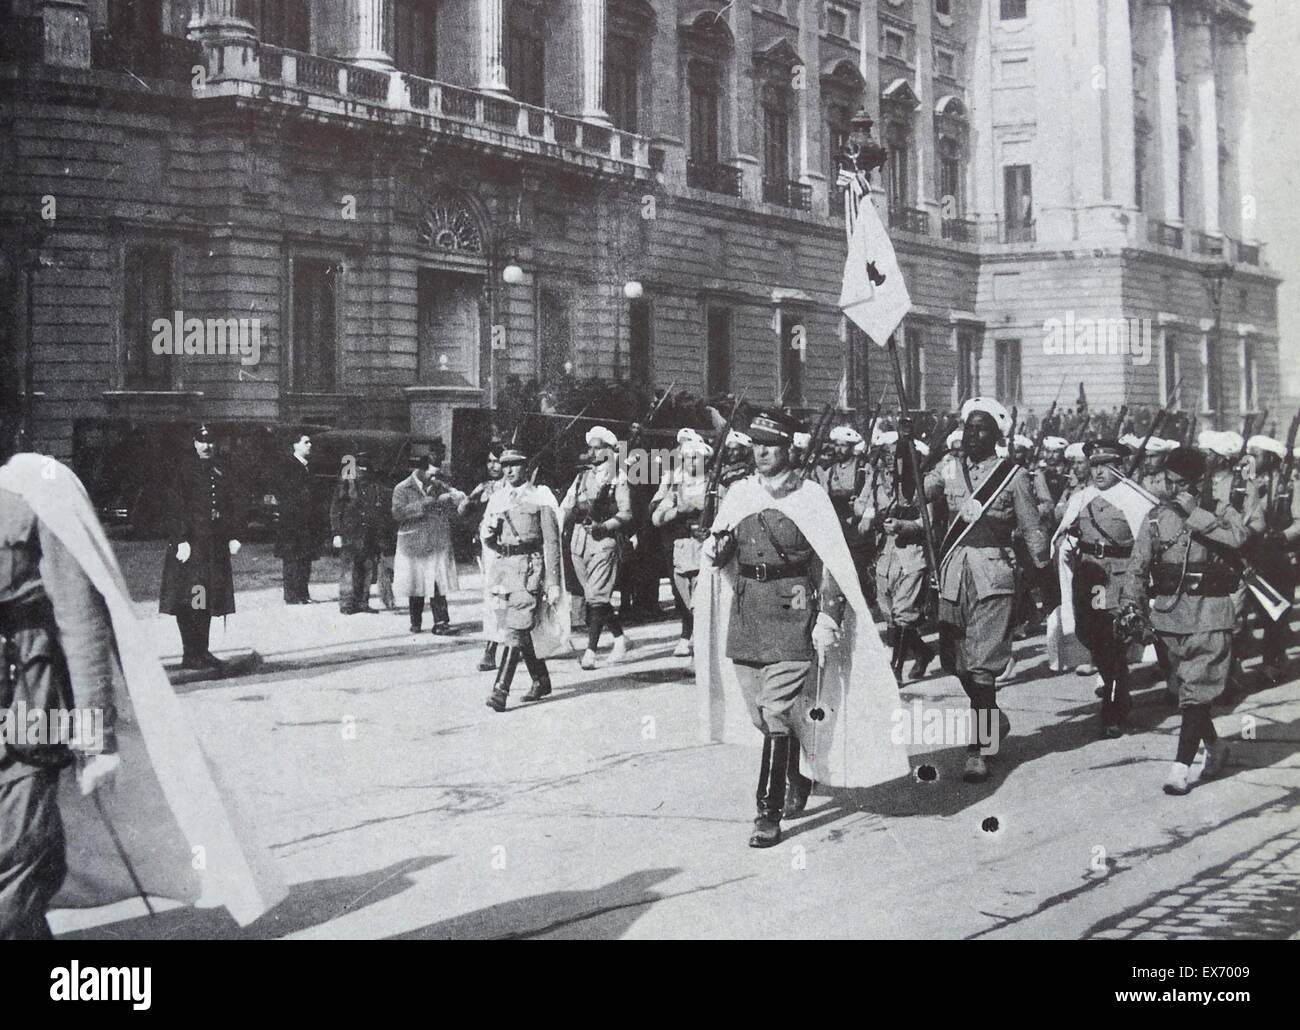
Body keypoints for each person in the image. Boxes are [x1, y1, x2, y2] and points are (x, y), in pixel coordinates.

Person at [696, 408, 909, 848]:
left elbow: (830, 561)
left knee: (775, 710)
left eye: (770, 446)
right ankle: (794, 773)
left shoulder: (810, 496)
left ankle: (767, 813)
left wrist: (829, 615)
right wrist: (715, 549)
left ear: (787, 449)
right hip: (747, 613)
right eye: (756, 445)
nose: (762, 453)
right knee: (760, 714)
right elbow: (721, 551)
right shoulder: (740, 492)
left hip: (793, 612)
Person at [1, 457, 119, 938]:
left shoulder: (34, 493)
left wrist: (97, 744)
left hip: (24, 719)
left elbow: (81, 621)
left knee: (16, 865)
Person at [923, 398, 1048, 782]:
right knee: (955, 661)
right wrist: (924, 452)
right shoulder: (948, 468)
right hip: (954, 573)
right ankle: (992, 718)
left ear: (997, 434)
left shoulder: (1012, 476)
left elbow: (1030, 527)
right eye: (969, 427)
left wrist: (1040, 570)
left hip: (993, 575)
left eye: (982, 429)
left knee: (983, 664)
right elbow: (917, 492)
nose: (973, 435)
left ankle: (980, 748)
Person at [1118, 446, 1248, 795]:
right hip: (1169, 619)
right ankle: (1216, 746)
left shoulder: (1221, 512)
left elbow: (1239, 540)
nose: (1173, 490)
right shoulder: (1157, 517)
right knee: (1189, 694)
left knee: (1195, 693)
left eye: (1180, 484)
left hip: (1210, 613)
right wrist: (1132, 605)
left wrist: (1196, 514)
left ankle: (1179, 769)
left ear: (1199, 482)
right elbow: (1137, 567)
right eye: (1169, 483)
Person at [1061, 440, 1142, 737]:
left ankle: (1114, 706)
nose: (1098, 472)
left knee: (1112, 642)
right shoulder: (1081, 498)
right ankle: (1118, 692)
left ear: (1119, 467)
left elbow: (1145, 545)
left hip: (1117, 578)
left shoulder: (1133, 498)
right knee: (1090, 636)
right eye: (1094, 465)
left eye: (1105, 465)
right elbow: (1063, 534)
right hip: (1088, 577)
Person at [482, 448, 563, 711]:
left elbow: (552, 542)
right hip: (504, 569)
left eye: (514, 465)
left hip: (530, 570)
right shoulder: (498, 498)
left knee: (516, 628)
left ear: (525, 467)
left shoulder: (540, 497)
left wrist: (552, 582)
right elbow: (488, 539)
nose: (508, 470)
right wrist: (488, 532)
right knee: (516, 627)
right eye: (505, 466)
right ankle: (541, 679)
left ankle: (500, 689)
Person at [158, 424, 242, 671]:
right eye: (202, 441)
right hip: (191, 546)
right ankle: (190, 653)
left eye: (211, 442)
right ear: (194, 442)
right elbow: (175, 506)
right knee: (191, 598)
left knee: (207, 598)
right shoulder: (183, 469)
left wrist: (233, 535)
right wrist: (181, 539)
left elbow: (229, 504)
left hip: (213, 545)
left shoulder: (219, 468)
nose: (207, 446)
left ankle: (202, 651)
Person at [856, 432, 934, 681]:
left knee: (903, 612)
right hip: (884, 553)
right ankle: (923, 652)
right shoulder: (876, 478)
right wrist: (870, 516)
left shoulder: (923, 482)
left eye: (897, 456)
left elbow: (927, 521)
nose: (891, 461)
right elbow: (860, 503)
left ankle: (895, 670)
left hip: (911, 555)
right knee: (889, 613)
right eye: (887, 455)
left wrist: (902, 525)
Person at [560, 426, 633, 668]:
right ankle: (621, 638)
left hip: (603, 541)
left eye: (597, 447)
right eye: (590, 447)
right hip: (579, 541)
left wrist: (605, 526)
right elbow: (567, 506)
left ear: (611, 450)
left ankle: (590, 652)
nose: (591, 451)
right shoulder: (581, 477)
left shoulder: (618, 478)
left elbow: (626, 513)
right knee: (593, 596)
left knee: (597, 596)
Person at [650, 434, 712, 656]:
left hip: (707, 551)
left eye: (695, 458)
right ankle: (692, 639)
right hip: (683, 552)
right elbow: (656, 517)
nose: (690, 462)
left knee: (703, 604)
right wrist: (678, 510)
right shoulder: (677, 488)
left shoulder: (714, 487)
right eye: (686, 458)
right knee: (687, 601)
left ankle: (700, 650)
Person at [392, 455, 466, 635]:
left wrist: (456, 497)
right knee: (416, 583)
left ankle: (441, 622)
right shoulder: (402, 488)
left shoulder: (438, 485)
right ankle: (415, 622)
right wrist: (425, 504)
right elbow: (398, 514)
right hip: (414, 544)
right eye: (431, 473)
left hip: (436, 542)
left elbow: (456, 498)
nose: (435, 477)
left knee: (437, 582)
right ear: (420, 470)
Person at [460, 444, 508, 670]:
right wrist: (472, 498)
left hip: (509, 546)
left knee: (503, 597)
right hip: (489, 549)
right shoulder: (484, 486)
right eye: (490, 461)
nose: (493, 465)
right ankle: (492, 647)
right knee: (495, 598)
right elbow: (462, 512)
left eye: (497, 461)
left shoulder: (513, 486)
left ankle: (496, 648)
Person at [330, 453, 385, 615]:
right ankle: (348, 603)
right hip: (351, 531)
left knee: (365, 567)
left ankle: (360, 602)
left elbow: (377, 508)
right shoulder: (347, 482)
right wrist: (337, 532)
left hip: (366, 531)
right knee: (351, 568)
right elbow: (336, 508)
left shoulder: (372, 482)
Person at [275, 431, 319, 605]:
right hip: (291, 521)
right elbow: (283, 491)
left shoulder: (310, 466)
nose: (310, 445)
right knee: (292, 558)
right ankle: (292, 595)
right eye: (306, 442)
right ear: (295, 445)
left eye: (310, 442)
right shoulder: (286, 465)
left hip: (307, 522)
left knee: (305, 558)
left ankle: (303, 593)